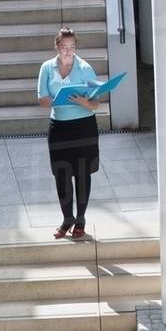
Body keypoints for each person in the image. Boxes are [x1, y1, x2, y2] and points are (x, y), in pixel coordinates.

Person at [37, 25, 104, 240]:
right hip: (60, 128)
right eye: (64, 47)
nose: (68, 51)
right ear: (57, 47)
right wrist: (60, 100)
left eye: (72, 47)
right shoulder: (47, 68)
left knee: (82, 174)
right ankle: (67, 219)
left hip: (84, 127)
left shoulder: (85, 68)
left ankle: (81, 219)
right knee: (62, 174)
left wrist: (83, 101)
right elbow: (42, 100)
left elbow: (96, 104)